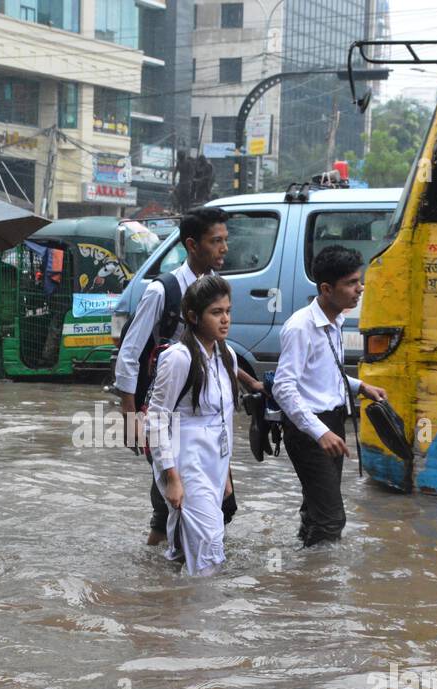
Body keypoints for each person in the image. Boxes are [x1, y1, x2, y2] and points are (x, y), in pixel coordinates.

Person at [115, 206, 261, 545]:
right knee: (169, 502)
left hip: (203, 418)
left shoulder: (214, 289)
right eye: (216, 241)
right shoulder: (162, 291)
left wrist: (248, 382)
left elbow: (213, 351)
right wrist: (129, 417)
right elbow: (129, 353)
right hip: (166, 412)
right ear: (192, 245)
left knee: (218, 502)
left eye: (226, 240)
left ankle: (172, 569)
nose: (224, 248)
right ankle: (163, 577)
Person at [273, 246, 387, 546]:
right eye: (351, 283)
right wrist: (319, 432)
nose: (359, 289)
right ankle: (317, 586)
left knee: (317, 509)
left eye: (358, 281)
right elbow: (283, 387)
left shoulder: (334, 320)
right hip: (310, 430)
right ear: (326, 288)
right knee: (331, 519)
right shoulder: (300, 327)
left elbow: (323, 375)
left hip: (331, 425)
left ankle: (302, 573)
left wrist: (360, 387)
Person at [149, 275, 238, 576]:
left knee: (186, 546)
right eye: (216, 312)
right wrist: (171, 476)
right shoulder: (178, 358)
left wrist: (226, 475)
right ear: (193, 316)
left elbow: (225, 419)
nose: (225, 319)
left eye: (227, 311)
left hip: (214, 463)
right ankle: (204, 615)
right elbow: (156, 417)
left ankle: (164, 603)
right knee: (210, 550)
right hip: (187, 463)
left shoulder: (228, 356)